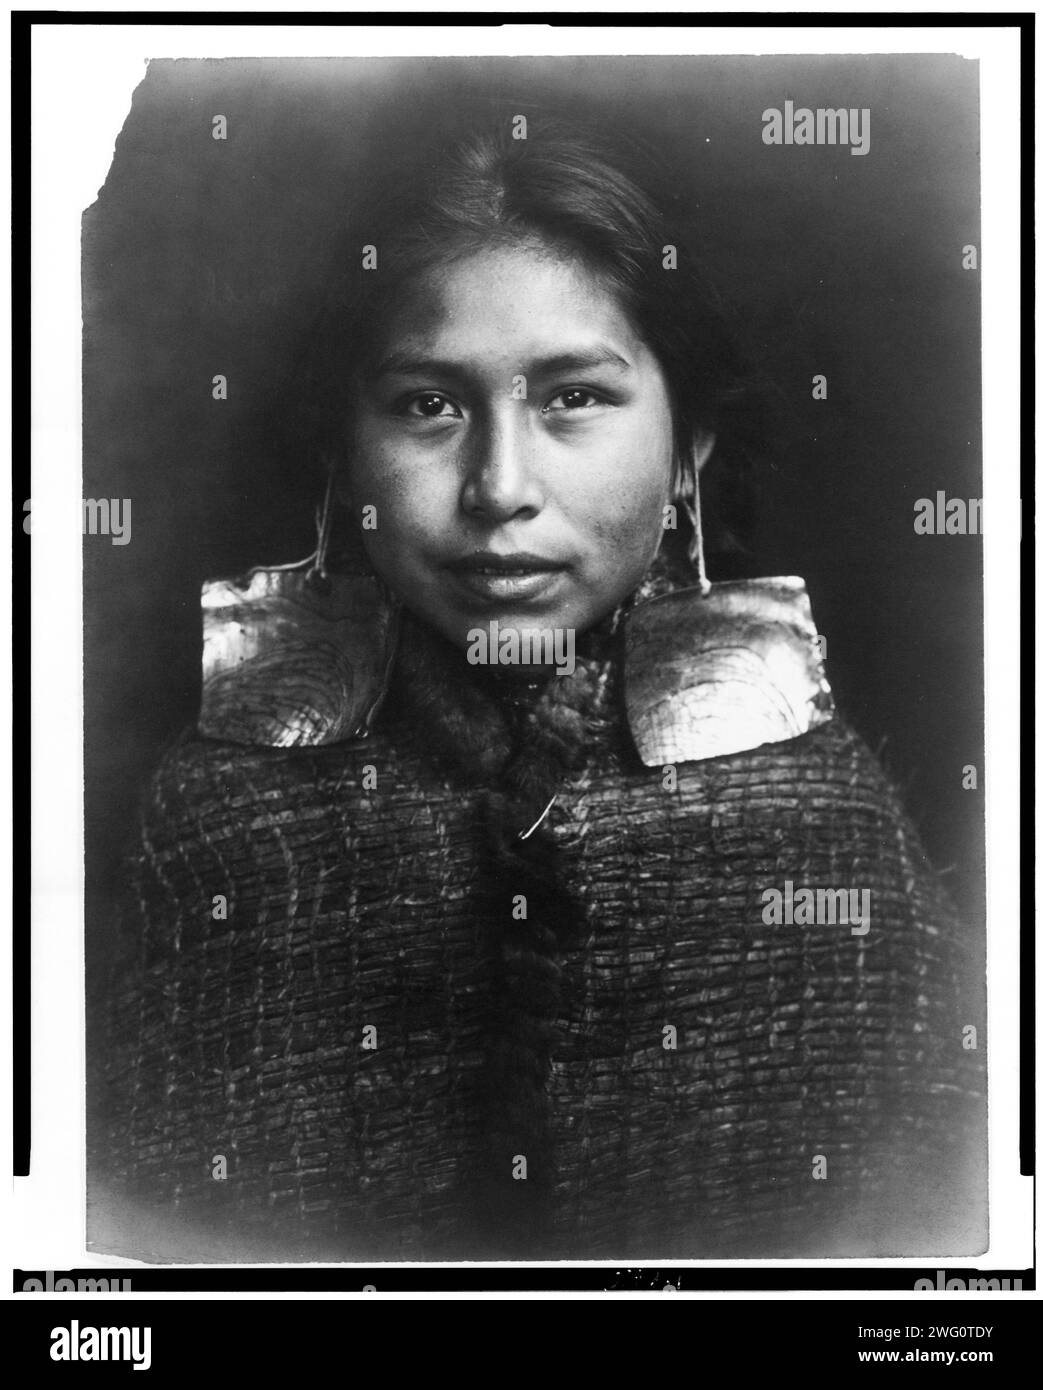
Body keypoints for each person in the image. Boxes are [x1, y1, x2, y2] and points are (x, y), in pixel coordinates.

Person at [89, 115, 985, 1263]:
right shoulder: (223, 825)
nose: (498, 486)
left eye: (571, 397)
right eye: (428, 404)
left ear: (684, 454)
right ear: (341, 455)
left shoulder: (818, 833)